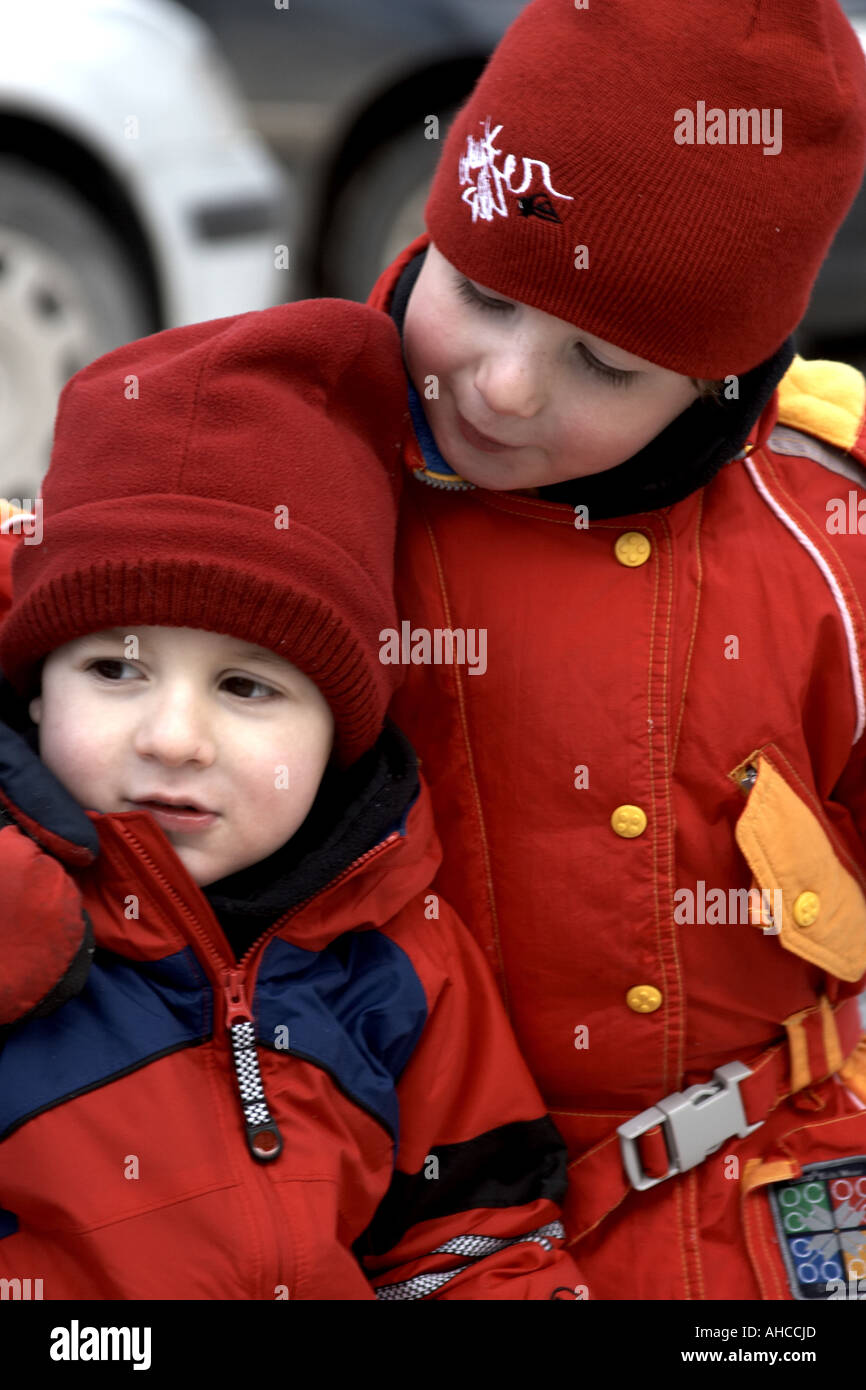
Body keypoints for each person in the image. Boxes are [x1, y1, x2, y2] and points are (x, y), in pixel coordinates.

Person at [367, 0, 866, 1301]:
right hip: (414, 1228)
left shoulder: (829, 540)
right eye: (478, 291)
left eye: (600, 361)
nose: (505, 386)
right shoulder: (286, 473)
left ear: (719, 383)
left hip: (771, 1202)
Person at [0, 299, 584, 1300]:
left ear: (339, 739)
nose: (174, 736)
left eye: (247, 687)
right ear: (36, 686)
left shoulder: (401, 955)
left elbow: (477, 1244)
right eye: (114, 669)